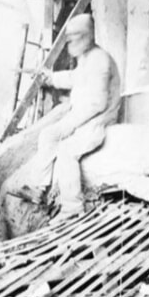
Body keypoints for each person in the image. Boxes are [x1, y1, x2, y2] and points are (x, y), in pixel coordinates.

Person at [36, 13, 121, 218]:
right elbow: (75, 78)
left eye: (75, 37)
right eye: (70, 38)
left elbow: (97, 104)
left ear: (86, 36)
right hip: (83, 118)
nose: (71, 43)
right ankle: (39, 189)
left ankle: (72, 207)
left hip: (99, 120)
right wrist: (51, 78)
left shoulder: (100, 60)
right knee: (47, 135)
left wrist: (70, 125)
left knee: (66, 151)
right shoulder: (86, 58)